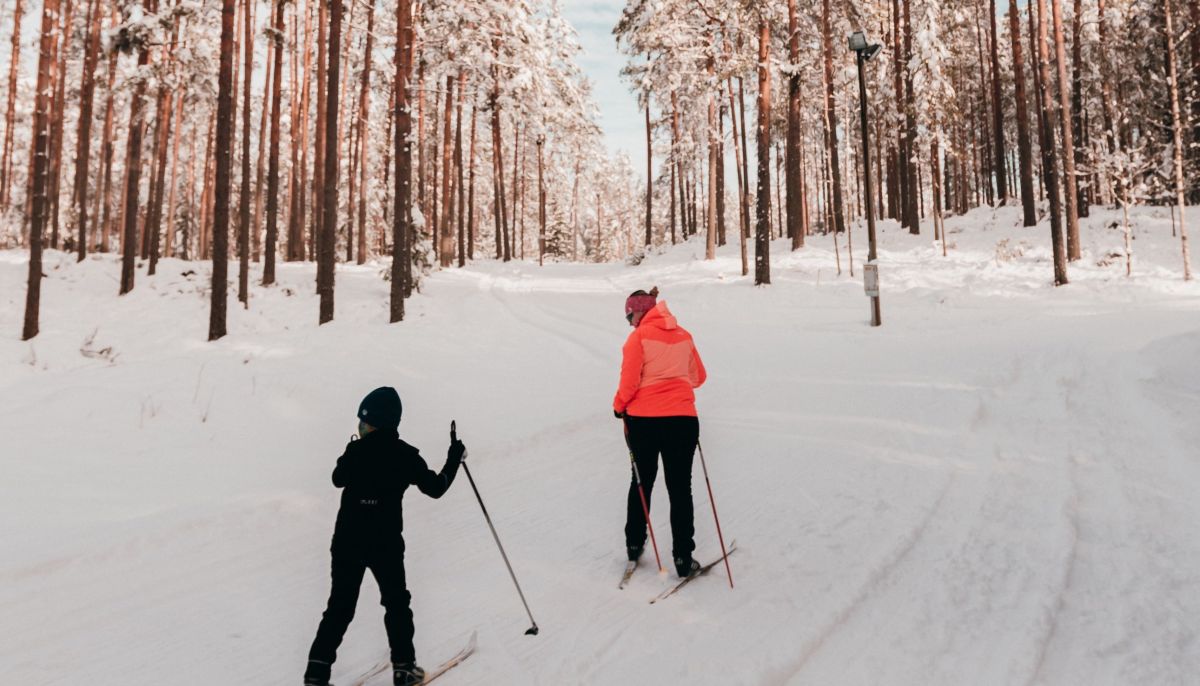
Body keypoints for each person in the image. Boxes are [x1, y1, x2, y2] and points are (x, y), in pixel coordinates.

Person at [304, 387, 466, 686]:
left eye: (364, 423)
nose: (360, 428)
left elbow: (337, 478)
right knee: (396, 603)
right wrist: (454, 457)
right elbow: (436, 487)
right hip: (385, 542)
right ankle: (404, 669)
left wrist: (353, 451)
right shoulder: (406, 456)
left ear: (375, 423)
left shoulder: (355, 452)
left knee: (340, 607)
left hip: (347, 541)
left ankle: (316, 674)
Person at [612, 287, 707, 577]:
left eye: (630, 315)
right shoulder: (684, 335)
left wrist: (618, 407)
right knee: (680, 488)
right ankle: (683, 557)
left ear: (640, 311)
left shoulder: (638, 338)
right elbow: (698, 377)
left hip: (644, 421)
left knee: (642, 481)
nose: (629, 321)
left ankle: (634, 543)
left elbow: (629, 383)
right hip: (682, 420)